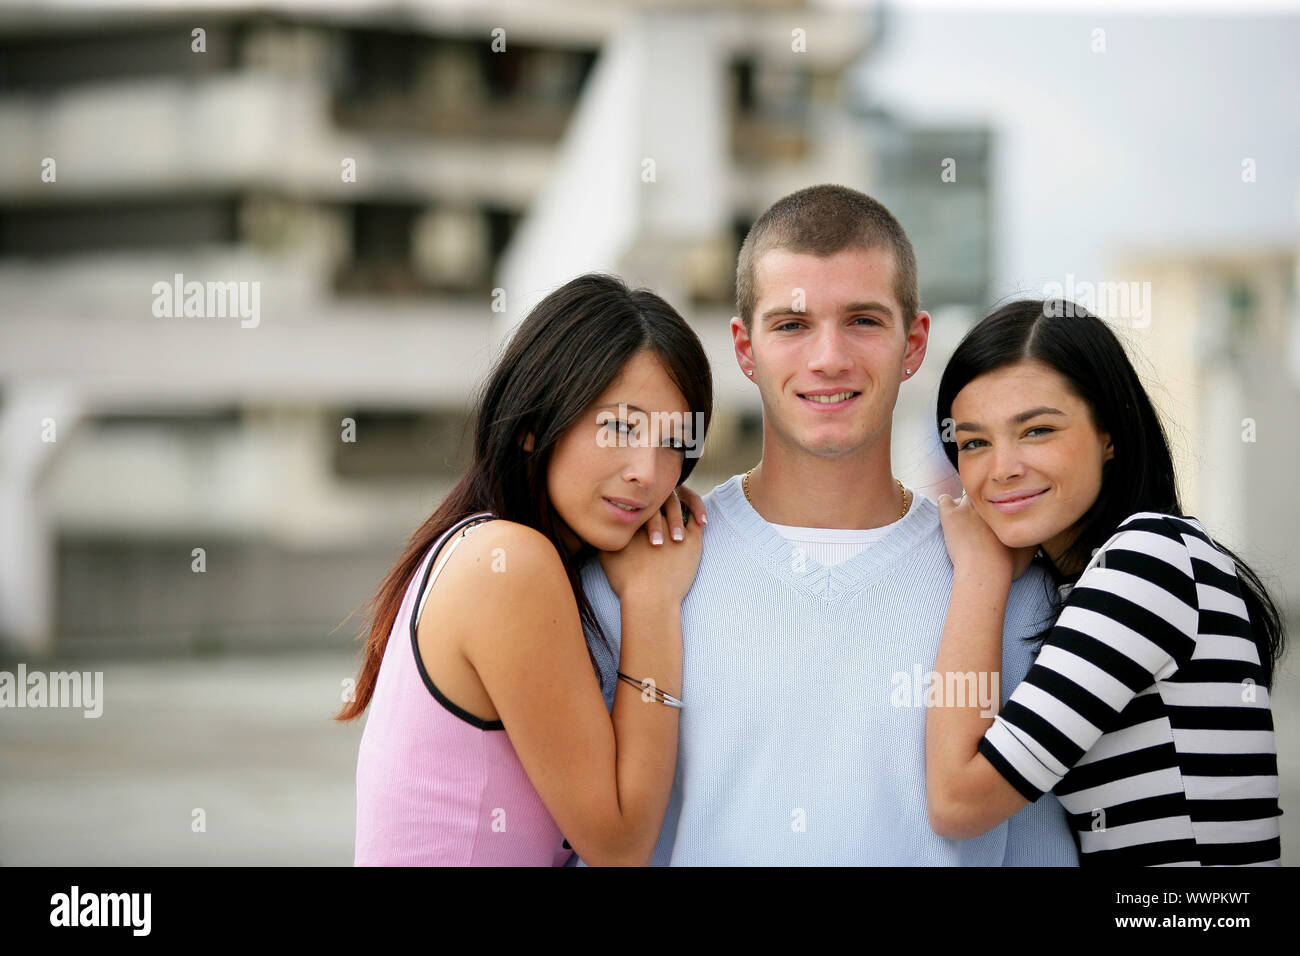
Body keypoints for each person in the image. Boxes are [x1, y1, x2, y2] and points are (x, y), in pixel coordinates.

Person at [577, 184, 1078, 864]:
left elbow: (1039, 849)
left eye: (865, 321)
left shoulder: (1006, 581)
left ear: (914, 342)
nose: (829, 359)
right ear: (745, 348)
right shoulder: (638, 574)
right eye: (792, 325)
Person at [338, 273, 713, 866]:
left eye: (672, 442)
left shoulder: (488, 548)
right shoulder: (506, 563)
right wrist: (651, 601)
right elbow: (620, 845)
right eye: (620, 426)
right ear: (536, 424)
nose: (649, 470)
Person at [926, 298, 1284, 865]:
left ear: (1109, 434)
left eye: (1037, 430)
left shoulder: (1149, 559)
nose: (1002, 468)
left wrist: (979, 572)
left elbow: (957, 801)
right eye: (974, 442)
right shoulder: (1099, 575)